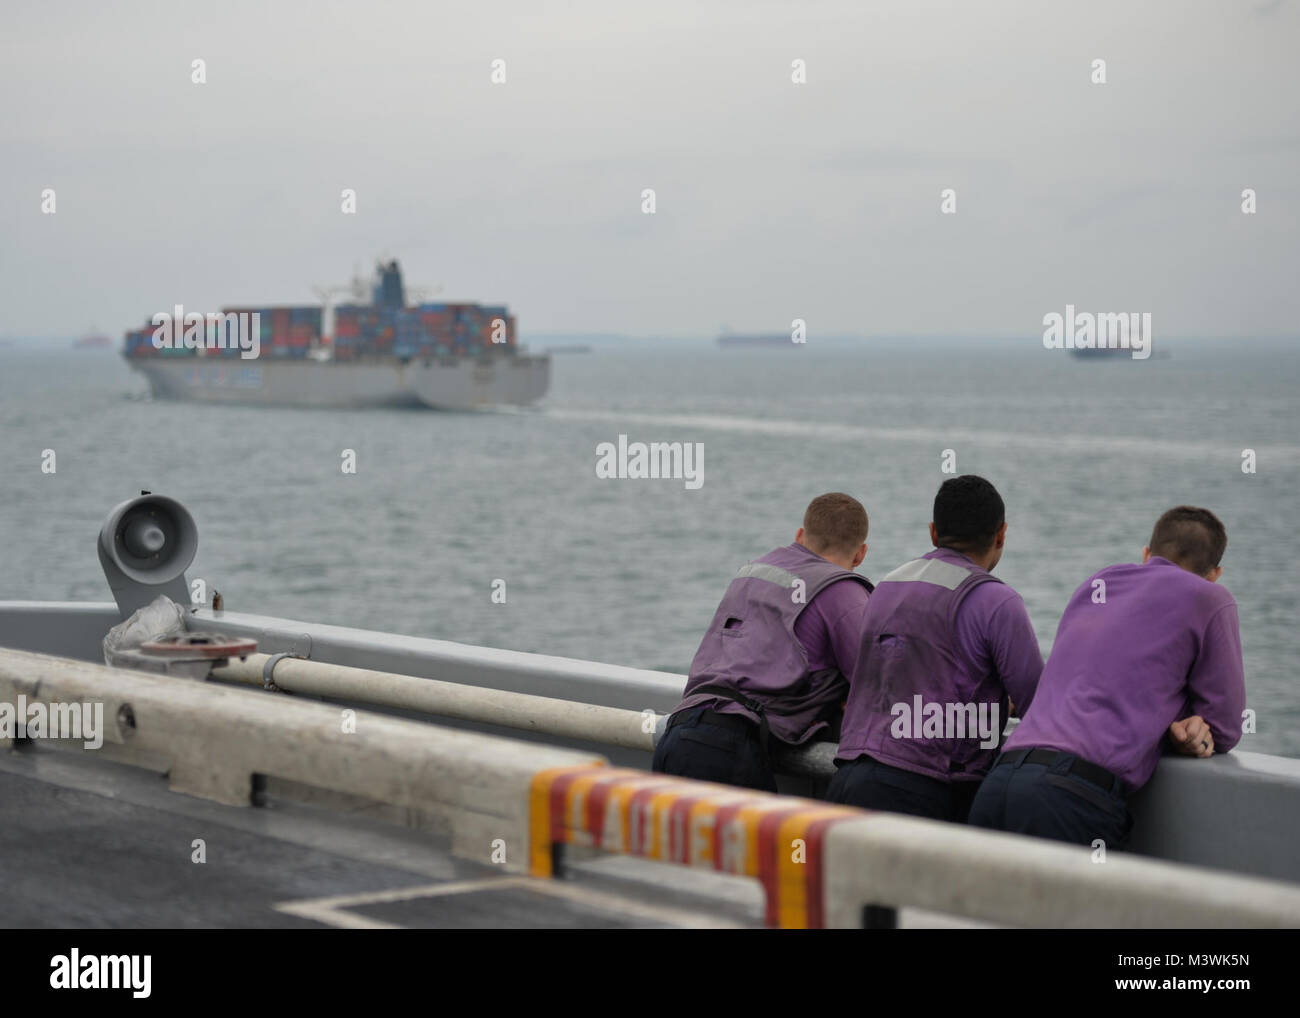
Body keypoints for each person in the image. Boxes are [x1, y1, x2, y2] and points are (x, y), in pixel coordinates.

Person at [968, 506, 1245, 849]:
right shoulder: (1211, 597)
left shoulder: (1097, 584)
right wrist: (1178, 724)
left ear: (1147, 555)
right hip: (1072, 798)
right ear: (1215, 574)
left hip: (1000, 780)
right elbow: (1225, 726)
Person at [828, 475, 1043, 822]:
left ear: (933, 532)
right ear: (1001, 534)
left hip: (848, 776)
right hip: (923, 792)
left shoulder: (886, 586)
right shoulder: (998, 601)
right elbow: (1039, 707)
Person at [652, 492, 874, 791]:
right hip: (730, 747)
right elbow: (878, 682)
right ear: (860, 554)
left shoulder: (753, 571)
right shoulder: (843, 593)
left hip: (677, 733)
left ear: (799, 535)